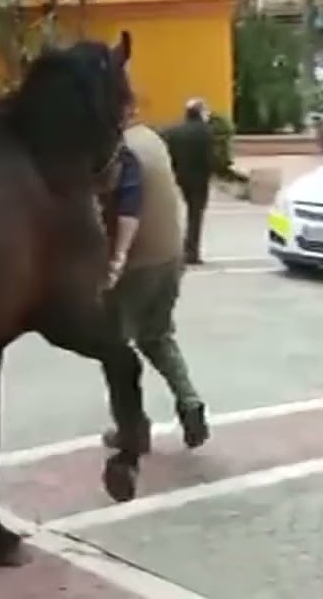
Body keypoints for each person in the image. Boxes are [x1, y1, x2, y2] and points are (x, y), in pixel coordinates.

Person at [100, 110, 210, 453]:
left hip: (138, 264)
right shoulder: (152, 139)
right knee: (157, 335)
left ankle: (131, 430)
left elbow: (121, 209)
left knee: (114, 348)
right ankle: (190, 402)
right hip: (170, 257)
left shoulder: (118, 150)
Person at [159, 99, 213, 264]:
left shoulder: (175, 131)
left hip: (180, 177)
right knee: (195, 216)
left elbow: (168, 153)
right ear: (200, 112)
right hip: (200, 179)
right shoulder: (206, 131)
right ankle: (191, 251)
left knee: (176, 213)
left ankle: (176, 249)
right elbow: (210, 157)